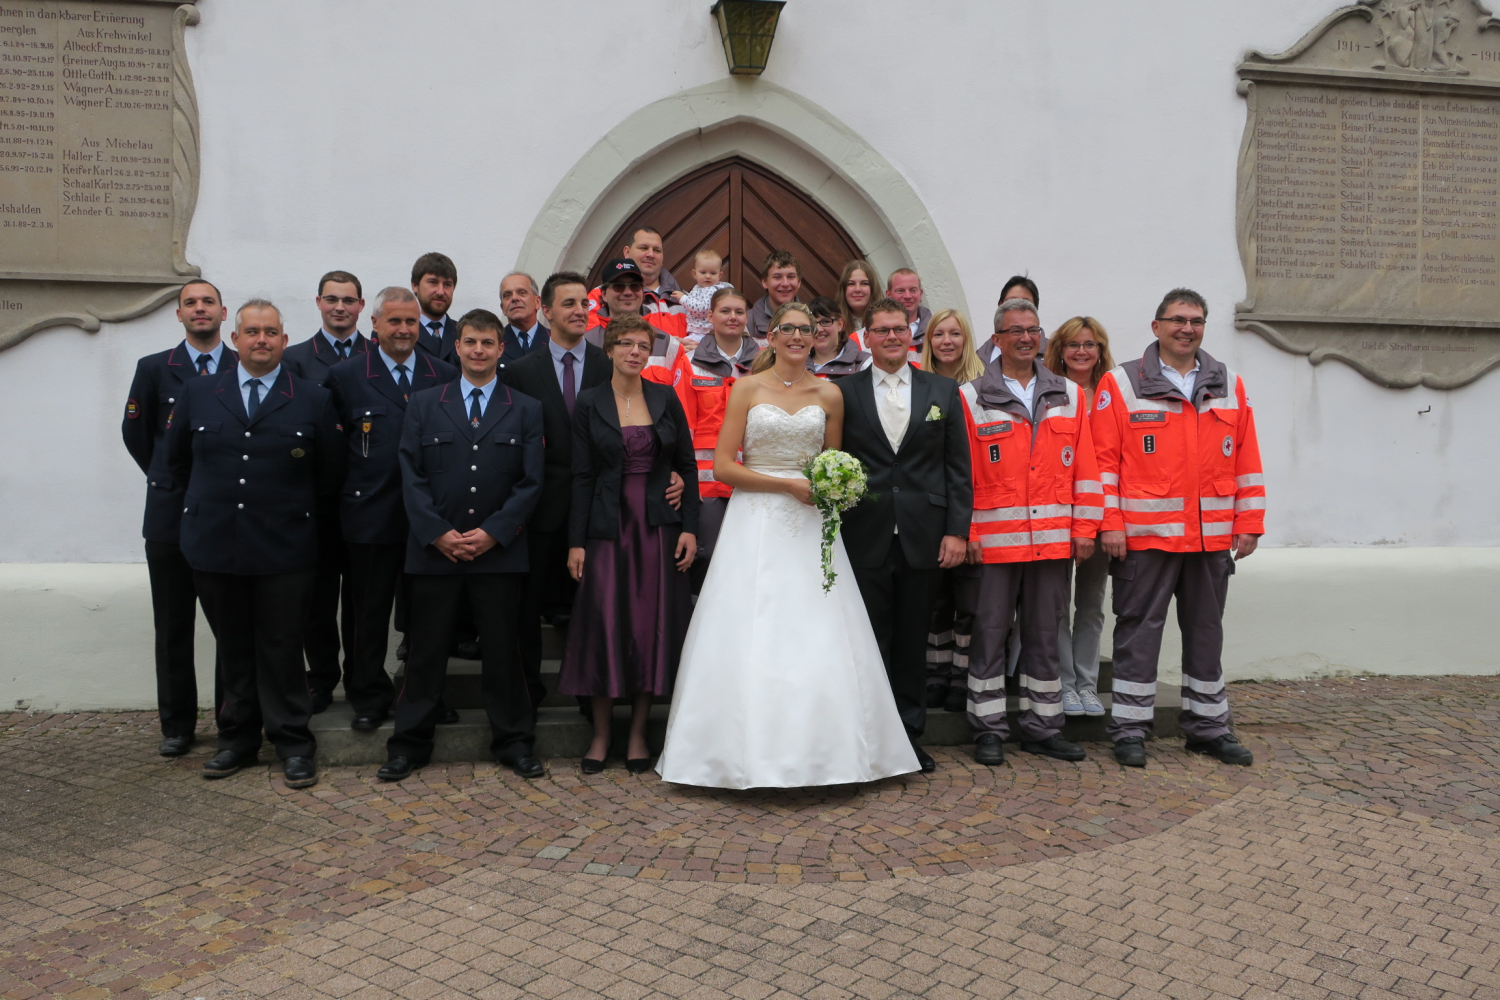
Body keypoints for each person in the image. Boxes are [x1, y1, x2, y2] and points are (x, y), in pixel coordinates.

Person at [657, 302, 919, 789]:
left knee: (818, 628)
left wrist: (831, 486)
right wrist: (784, 486)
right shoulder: (748, 389)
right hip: (755, 520)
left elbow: (832, 461)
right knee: (751, 626)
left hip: (811, 523)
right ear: (772, 337)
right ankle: (733, 756)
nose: (798, 336)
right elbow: (723, 468)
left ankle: (830, 755)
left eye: (807, 329)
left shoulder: (831, 394)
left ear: (816, 337)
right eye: (788, 329)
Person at [165, 299, 344, 789]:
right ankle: (237, 741)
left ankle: (292, 743)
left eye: (271, 332)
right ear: (235, 339)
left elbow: (329, 474)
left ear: (284, 342)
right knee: (235, 648)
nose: (261, 340)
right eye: (252, 332)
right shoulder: (199, 393)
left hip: (284, 548)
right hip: (215, 545)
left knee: (283, 648)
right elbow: (176, 463)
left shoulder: (312, 398)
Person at [1092, 289, 1265, 768]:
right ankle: (1129, 729)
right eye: (1177, 320)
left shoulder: (1230, 384)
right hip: (1145, 540)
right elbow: (1102, 464)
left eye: (1196, 320)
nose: (1187, 328)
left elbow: (1247, 459)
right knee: (1137, 633)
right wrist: (1110, 523)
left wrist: (1248, 521)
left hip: (1210, 539)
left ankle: (1208, 728)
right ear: (1156, 327)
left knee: (1207, 633)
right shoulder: (1121, 383)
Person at [380, 309, 546, 782]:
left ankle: (514, 741)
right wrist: (438, 533)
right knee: (425, 654)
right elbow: (410, 475)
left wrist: (494, 532)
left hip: (500, 554)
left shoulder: (525, 408)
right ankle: (408, 744)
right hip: (435, 552)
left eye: (487, 343)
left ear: (501, 349)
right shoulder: (426, 403)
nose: (478, 351)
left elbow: (531, 483)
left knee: (503, 653)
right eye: (470, 342)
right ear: (457, 346)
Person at [956, 299, 1104, 766]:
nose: (1025, 338)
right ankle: (988, 728)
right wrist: (970, 532)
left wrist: (1085, 528)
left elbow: (1086, 468)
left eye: (1032, 330)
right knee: (990, 634)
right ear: (996, 340)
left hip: (1054, 541)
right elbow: (965, 476)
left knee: (1044, 634)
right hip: (995, 545)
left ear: (1040, 338)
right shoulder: (971, 396)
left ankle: (1044, 726)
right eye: (1015, 330)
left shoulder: (1070, 395)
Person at [836, 297, 972, 774]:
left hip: (924, 534)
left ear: (911, 334)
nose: (892, 337)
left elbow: (958, 470)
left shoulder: (942, 390)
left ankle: (909, 738)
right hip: (864, 532)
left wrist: (957, 532)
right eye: (882, 330)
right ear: (866, 337)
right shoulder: (844, 392)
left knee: (913, 642)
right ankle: (869, 737)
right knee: (868, 640)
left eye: (899, 329)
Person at [562, 316, 700, 773]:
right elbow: (580, 475)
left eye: (643, 345)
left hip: (657, 527)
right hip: (606, 528)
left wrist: (689, 527)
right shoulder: (589, 402)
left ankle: (639, 733)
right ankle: (601, 734)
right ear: (609, 349)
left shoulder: (664, 397)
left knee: (648, 626)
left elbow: (687, 466)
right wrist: (576, 542)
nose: (635, 352)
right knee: (604, 624)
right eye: (626, 344)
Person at [325, 288, 457, 731]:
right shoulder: (345, 376)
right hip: (370, 518)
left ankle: (422, 696)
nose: (403, 330)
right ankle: (368, 697)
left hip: (429, 521)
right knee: (367, 615)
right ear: (374, 324)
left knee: (427, 619)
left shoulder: (442, 375)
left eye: (411, 322)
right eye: (395, 321)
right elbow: (331, 452)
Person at [122, 280, 236, 757]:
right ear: (179, 314)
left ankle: (232, 717)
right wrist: (172, 481)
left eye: (208, 302)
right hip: (170, 518)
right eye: (191, 303)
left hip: (228, 518)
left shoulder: (242, 365)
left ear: (223, 312)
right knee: (172, 624)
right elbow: (136, 432)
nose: (200, 309)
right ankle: (177, 724)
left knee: (231, 625)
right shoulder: (154, 370)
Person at [500, 273, 613, 705]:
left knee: (594, 609)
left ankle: (593, 696)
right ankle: (528, 692)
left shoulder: (607, 367)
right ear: (545, 311)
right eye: (569, 304)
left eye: (584, 303)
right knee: (528, 609)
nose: (580, 311)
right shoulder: (521, 372)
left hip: (598, 509)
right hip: (540, 509)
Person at [282, 270, 368, 714]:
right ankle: (320, 677)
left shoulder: (377, 356)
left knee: (359, 598)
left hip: (365, 495)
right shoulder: (295, 360)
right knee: (317, 597)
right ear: (318, 303)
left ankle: (359, 676)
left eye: (348, 300)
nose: (340, 307)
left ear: (361, 306)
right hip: (314, 499)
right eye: (332, 299)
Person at [1042, 316, 1115, 719]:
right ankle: (1064, 684)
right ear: (1060, 350)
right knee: (1054, 607)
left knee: (1090, 606)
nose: (1082, 351)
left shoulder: (1113, 393)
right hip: (1054, 513)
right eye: (1073, 344)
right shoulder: (1050, 392)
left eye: (1090, 344)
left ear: (1100, 350)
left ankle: (1088, 685)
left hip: (1098, 517)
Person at [915, 309, 985, 713]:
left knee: (972, 603)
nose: (946, 341)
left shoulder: (984, 387)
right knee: (937, 601)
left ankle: (963, 677)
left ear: (966, 339)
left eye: (954, 333)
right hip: (932, 509)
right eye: (938, 334)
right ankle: (937, 674)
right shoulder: (920, 385)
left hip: (977, 508)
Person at [669, 286, 759, 594]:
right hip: (705, 482)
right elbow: (682, 426)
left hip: (754, 477)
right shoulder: (690, 362)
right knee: (705, 555)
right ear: (709, 316)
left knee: (749, 558)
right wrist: (682, 475)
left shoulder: (764, 364)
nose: (733, 317)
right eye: (725, 311)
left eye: (739, 312)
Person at [587, 257, 687, 354]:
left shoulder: (666, 343)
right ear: (604, 294)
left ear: (642, 292)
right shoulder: (586, 343)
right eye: (619, 286)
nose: (628, 292)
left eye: (634, 286)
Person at [806, 296, 870, 379]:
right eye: (812, 324)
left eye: (825, 321)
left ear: (840, 324)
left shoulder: (864, 364)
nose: (818, 329)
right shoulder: (795, 365)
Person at [745, 250, 803, 342]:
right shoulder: (747, 321)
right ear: (765, 282)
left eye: (791, 277)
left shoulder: (812, 320)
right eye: (777, 277)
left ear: (799, 282)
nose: (785, 283)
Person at [412, 252, 460, 362]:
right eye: (433, 282)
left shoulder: (463, 334)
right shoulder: (403, 333)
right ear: (415, 286)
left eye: (447, 284)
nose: (440, 292)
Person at [678, 248, 731, 345]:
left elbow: (702, 310)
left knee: (689, 350)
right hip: (697, 330)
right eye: (703, 272)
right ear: (695, 274)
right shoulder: (698, 287)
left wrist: (683, 298)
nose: (708, 276)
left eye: (713, 273)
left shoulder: (713, 290)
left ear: (720, 275)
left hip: (705, 331)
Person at [984, 277, 1040, 365]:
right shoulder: (978, 357)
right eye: (1012, 301)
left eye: (1025, 302)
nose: (1018, 306)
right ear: (1000, 306)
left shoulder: (1053, 352)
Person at [499, 271, 549, 367]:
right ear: (503, 308)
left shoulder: (555, 341)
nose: (514, 298)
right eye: (507, 295)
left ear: (537, 302)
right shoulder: (494, 343)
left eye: (522, 293)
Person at [837, 260, 881, 349]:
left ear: (873, 288)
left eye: (864, 283)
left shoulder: (886, 321)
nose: (857, 289)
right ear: (844, 289)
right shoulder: (834, 323)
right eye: (851, 284)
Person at [887, 268, 931, 347]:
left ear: (920, 294)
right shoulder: (873, 332)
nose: (907, 296)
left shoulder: (936, 331)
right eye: (900, 291)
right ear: (888, 295)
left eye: (913, 290)